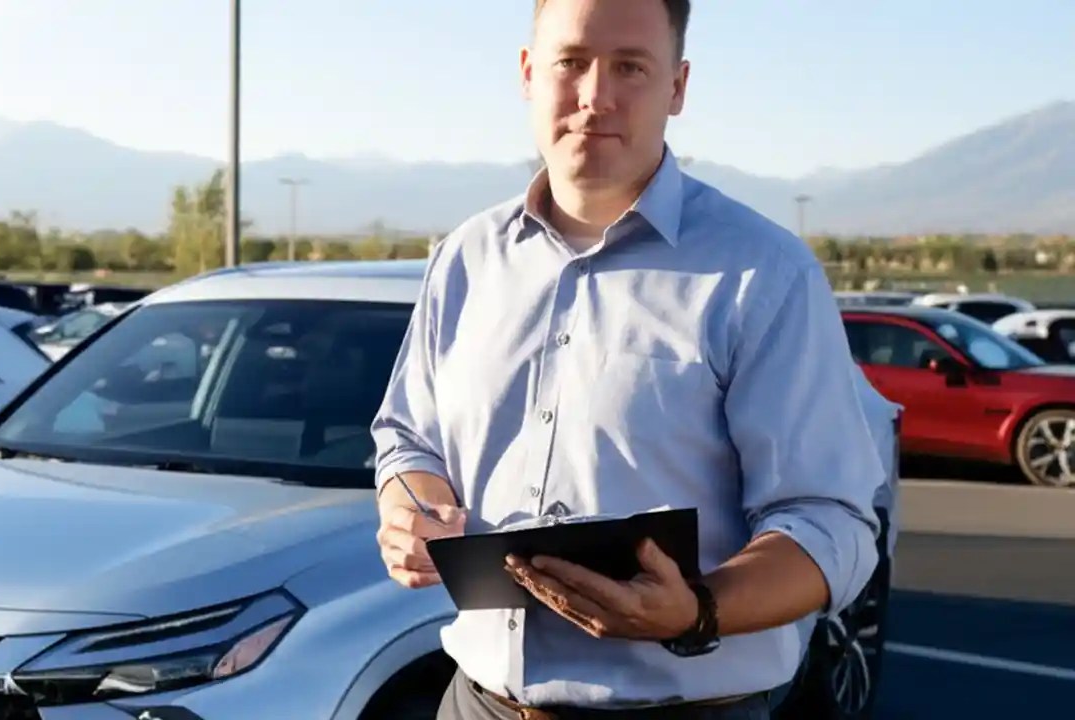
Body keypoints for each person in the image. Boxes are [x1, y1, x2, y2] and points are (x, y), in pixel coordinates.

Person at [370, 0, 887, 717]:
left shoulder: (764, 274)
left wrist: (696, 610)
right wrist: (412, 512)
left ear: (677, 87)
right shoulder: (466, 258)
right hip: (475, 702)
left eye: (630, 67)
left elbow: (830, 521)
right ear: (528, 72)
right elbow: (408, 436)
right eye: (572, 62)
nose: (595, 96)